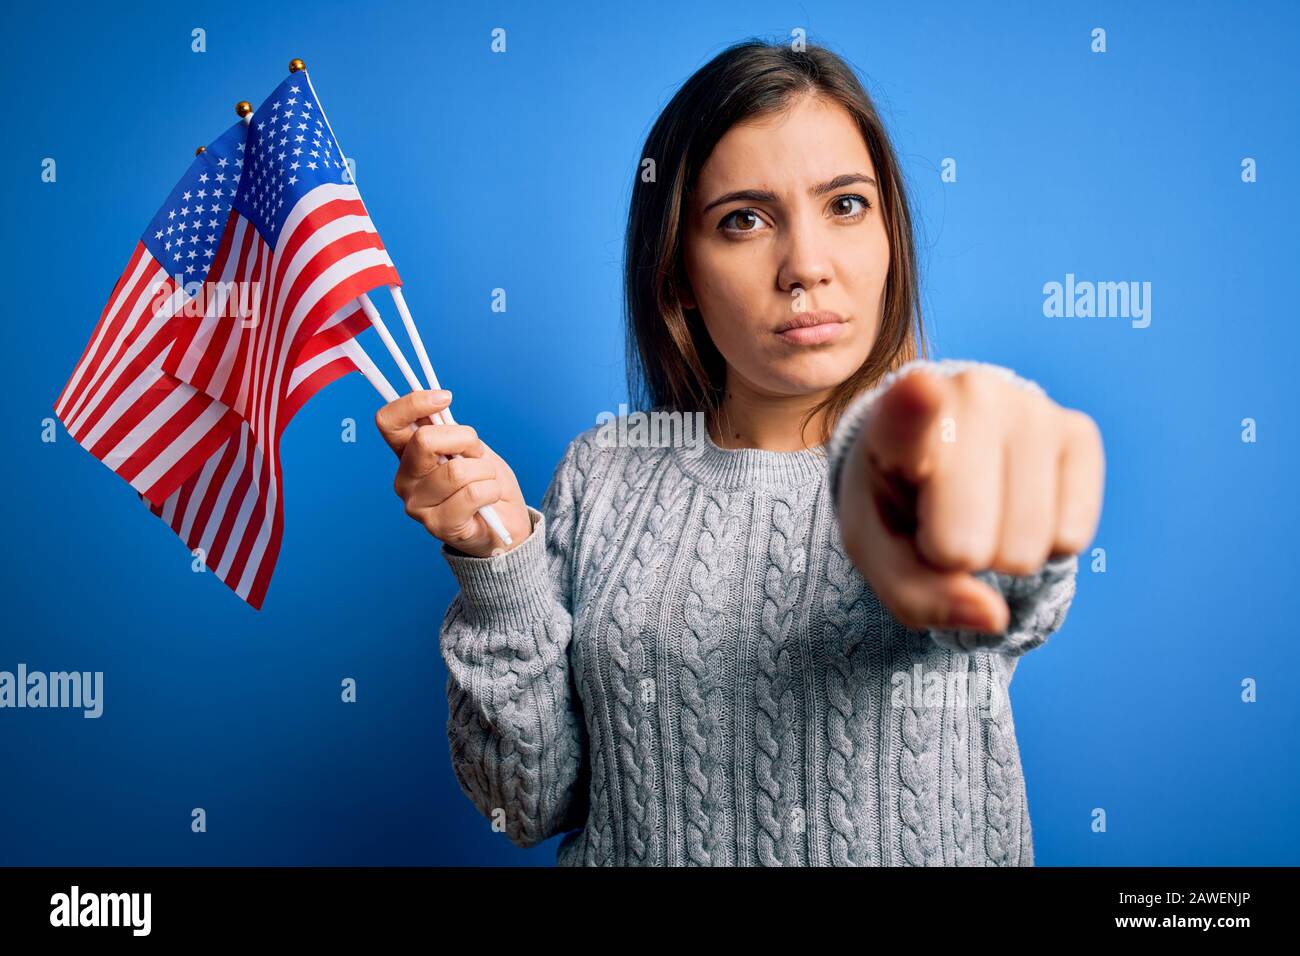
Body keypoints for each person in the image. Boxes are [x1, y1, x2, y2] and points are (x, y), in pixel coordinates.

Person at [374, 39, 1104, 866]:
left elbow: (1012, 572)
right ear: (678, 272)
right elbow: (529, 802)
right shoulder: (601, 473)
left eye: (846, 206)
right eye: (744, 221)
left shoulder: (929, 451)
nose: (806, 268)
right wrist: (498, 565)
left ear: (891, 234)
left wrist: (996, 501)